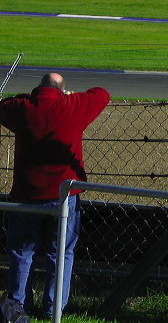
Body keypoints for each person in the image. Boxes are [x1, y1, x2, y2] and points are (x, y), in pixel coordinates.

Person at [0, 73, 109, 321]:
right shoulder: (74, 105)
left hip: (27, 194)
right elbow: (102, 93)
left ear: (39, 88)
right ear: (62, 90)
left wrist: (32, 97)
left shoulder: (24, 108)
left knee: (22, 251)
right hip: (64, 196)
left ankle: (17, 306)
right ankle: (54, 308)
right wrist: (69, 96)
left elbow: (4, 105)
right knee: (61, 253)